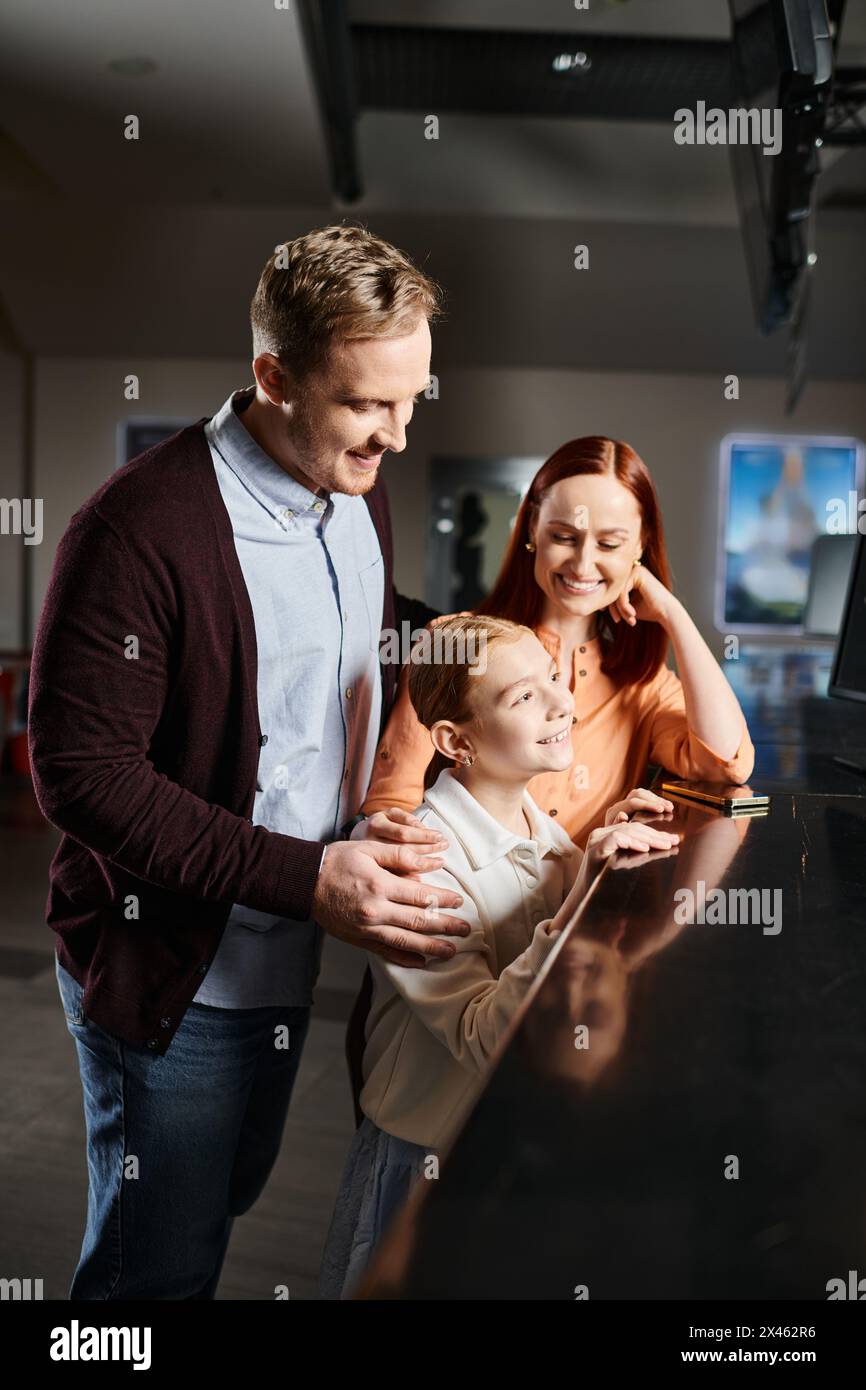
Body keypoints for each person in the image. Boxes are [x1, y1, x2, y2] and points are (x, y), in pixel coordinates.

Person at [27, 223, 473, 1300]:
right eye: (368, 403)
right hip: (173, 974)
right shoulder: (136, 531)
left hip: (288, 961)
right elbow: (83, 770)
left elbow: (356, 634)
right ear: (273, 375)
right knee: (153, 1274)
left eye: (411, 401)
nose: (396, 437)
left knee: (215, 1207)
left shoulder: (354, 487)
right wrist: (310, 877)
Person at [318, 616, 681, 1299]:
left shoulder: (538, 829)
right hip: (424, 1152)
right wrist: (581, 895)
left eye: (551, 679)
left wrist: (599, 864)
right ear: (456, 742)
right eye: (523, 698)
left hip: (490, 1136)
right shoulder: (420, 867)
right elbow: (488, 1036)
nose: (560, 702)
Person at [362, 435, 755, 846]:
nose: (583, 564)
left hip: (583, 903)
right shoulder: (451, 643)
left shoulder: (643, 684)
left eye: (609, 543)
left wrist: (675, 615)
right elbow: (392, 803)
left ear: (641, 545)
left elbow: (726, 765)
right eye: (564, 537)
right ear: (533, 527)